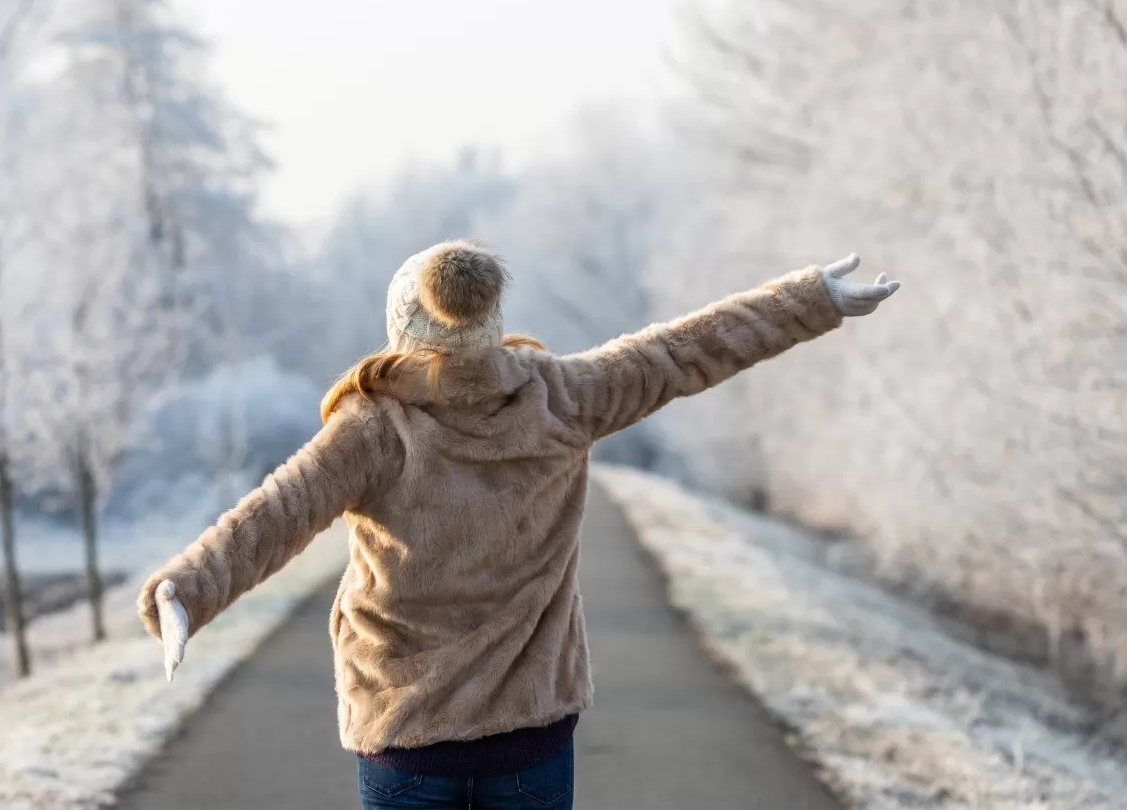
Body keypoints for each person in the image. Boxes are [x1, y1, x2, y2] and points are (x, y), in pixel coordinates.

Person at [137, 241, 900, 809]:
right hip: (531, 732)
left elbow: (274, 515)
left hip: (403, 734)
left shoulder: (372, 427)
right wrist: (812, 300)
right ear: (490, 321)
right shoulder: (563, 396)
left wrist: (186, 590)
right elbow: (684, 351)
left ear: (404, 326)